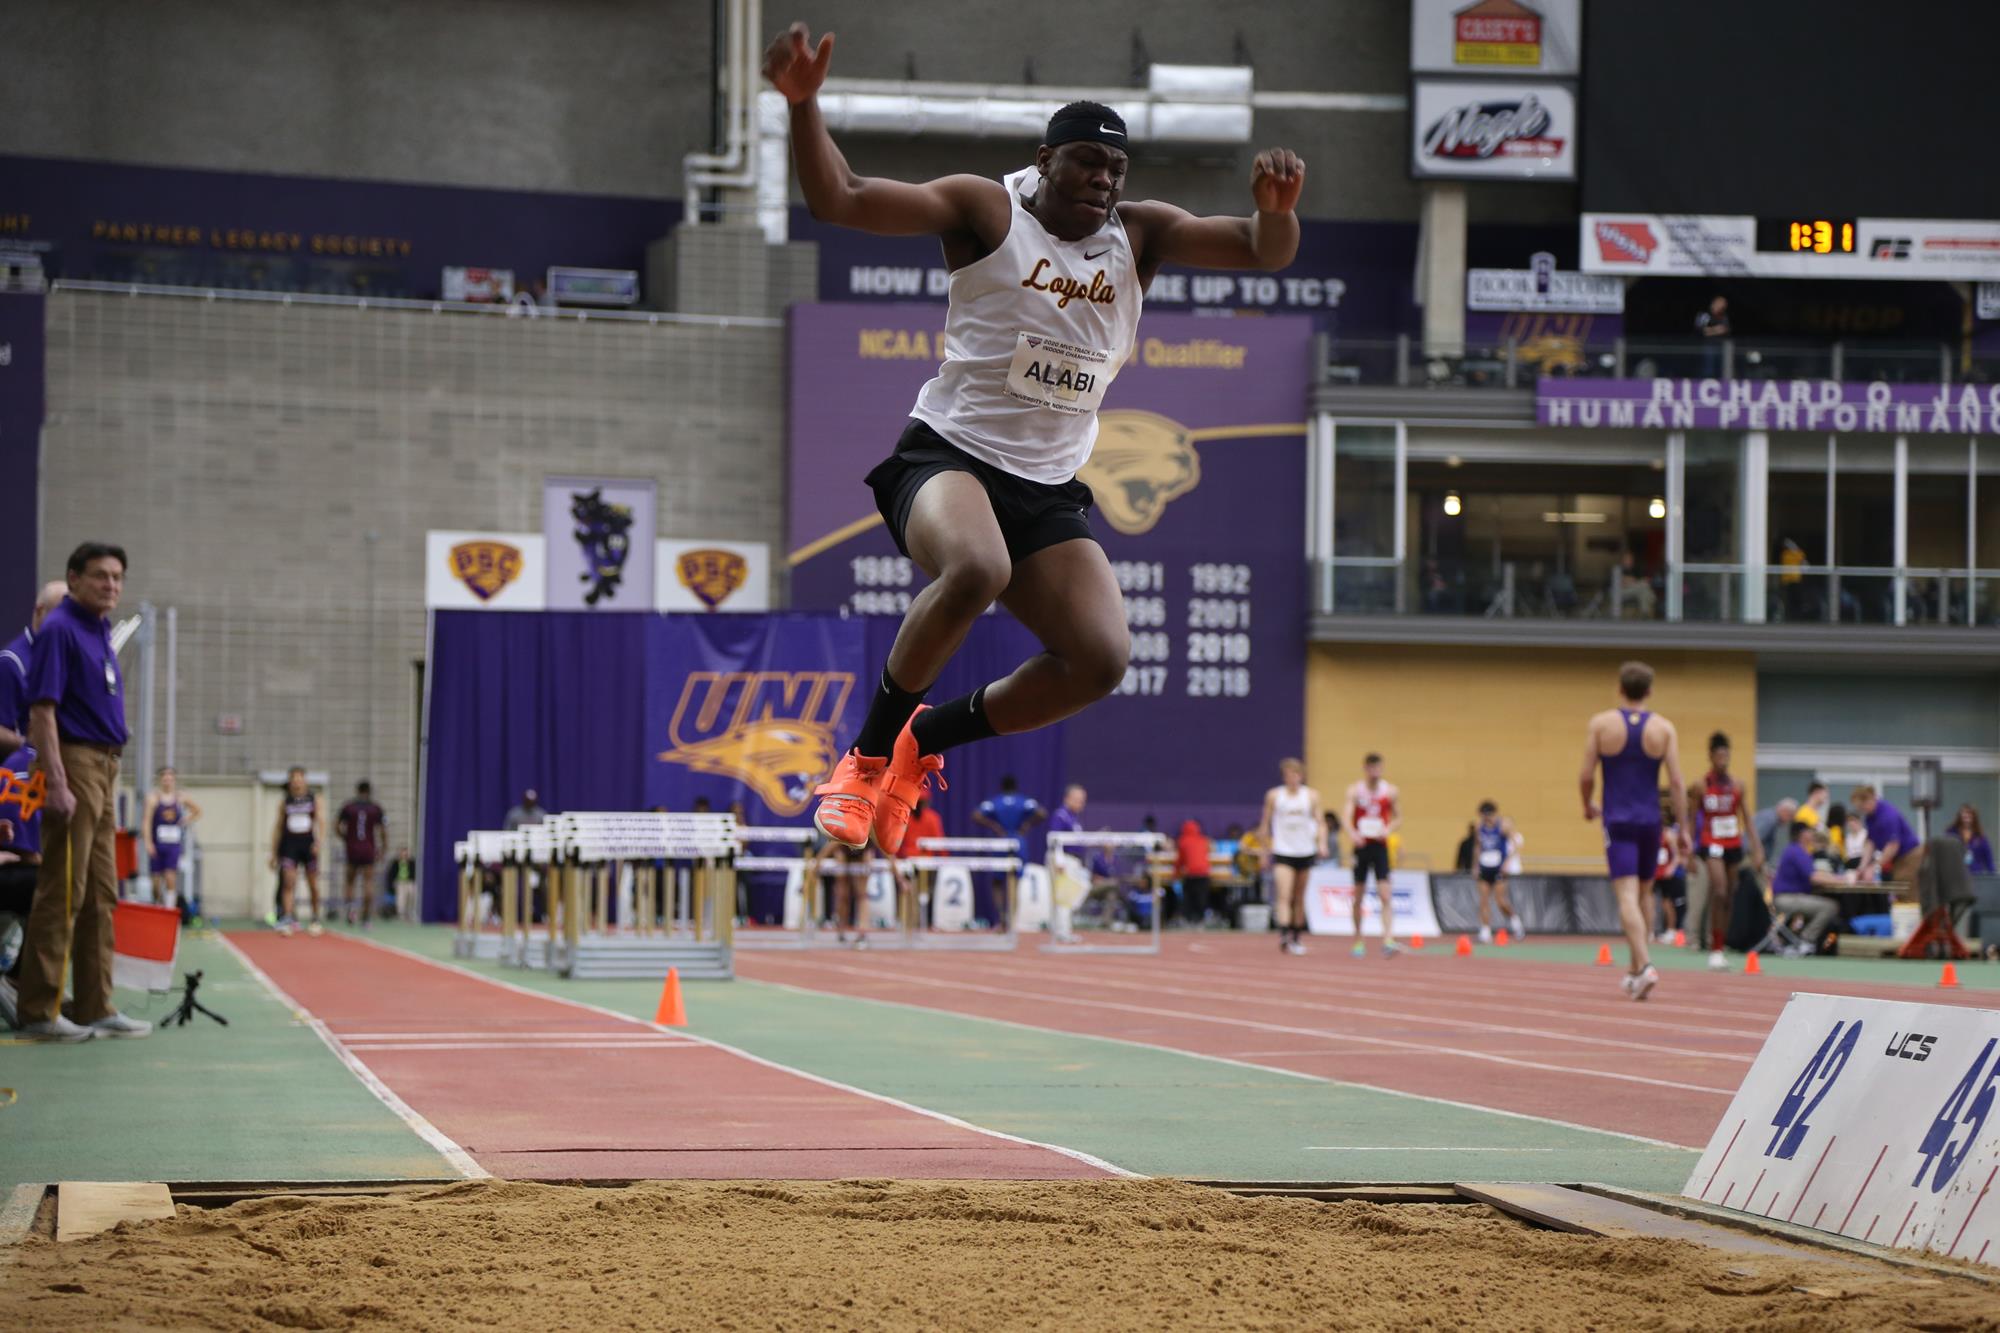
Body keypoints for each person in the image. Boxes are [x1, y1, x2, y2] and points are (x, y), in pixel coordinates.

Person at [764, 24, 1305, 859]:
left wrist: (1278, 215)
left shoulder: (1143, 234)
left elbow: (1262, 254)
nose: (1103, 179)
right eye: (1087, 160)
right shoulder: (986, 208)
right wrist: (803, 106)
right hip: (947, 458)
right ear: (1045, 159)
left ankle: (922, 742)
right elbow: (841, 197)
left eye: (1116, 168)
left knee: (1100, 659)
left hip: (1046, 486)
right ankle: (866, 758)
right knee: (978, 568)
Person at [17, 542, 151, 1041]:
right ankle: (39, 1011)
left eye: (117, 577)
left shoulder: (98, 631)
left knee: (101, 893)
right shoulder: (60, 630)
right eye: (100, 576)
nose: (111, 585)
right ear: (73, 579)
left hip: (105, 766)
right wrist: (55, 779)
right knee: (63, 890)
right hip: (75, 762)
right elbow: (42, 712)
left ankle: (95, 1005)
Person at [1580, 661, 1688, 1001]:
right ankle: (1633, 972)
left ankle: (1644, 966)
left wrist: (1587, 805)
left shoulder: (1602, 724)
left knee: (1626, 895)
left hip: (1619, 820)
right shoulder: (1664, 729)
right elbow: (1677, 782)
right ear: (1650, 691)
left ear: (1620, 688)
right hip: (1650, 821)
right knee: (1645, 894)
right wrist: (1683, 827)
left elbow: (1586, 776)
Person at [1692, 732, 1761, 971]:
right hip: (1711, 843)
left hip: (1733, 843)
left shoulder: (1738, 785)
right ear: (1711, 756)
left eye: (1726, 755)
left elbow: (1747, 819)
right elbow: (1691, 820)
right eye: (1719, 755)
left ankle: (1720, 945)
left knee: (1730, 895)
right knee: (1719, 890)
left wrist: (1757, 848)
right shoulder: (1701, 786)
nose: (1723, 759)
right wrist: (1688, 853)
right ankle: (1714, 947)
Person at [1259, 758, 1325, 956]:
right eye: (1288, 775)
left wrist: (1321, 843)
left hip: (1305, 851)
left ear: (1301, 776)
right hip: (1283, 851)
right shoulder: (1274, 796)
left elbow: (1320, 822)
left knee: (1299, 897)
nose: (1292, 778)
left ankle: (1297, 936)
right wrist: (1264, 852)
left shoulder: (1311, 796)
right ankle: (1284, 934)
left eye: (1295, 774)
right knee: (1284, 894)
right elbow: (1265, 825)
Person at [1, 582, 68, 756]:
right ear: (40, 611)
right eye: (60, 615)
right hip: (28, 772)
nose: (67, 624)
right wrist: (33, 744)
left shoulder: (65, 655)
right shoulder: (12, 662)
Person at [1343, 753, 1400, 958]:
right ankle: (1358, 940)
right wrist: (1353, 833)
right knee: (1359, 894)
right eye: (1372, 768)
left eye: (1379, 768)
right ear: (1365, 768)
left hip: (1380, 846)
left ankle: (1388, 938)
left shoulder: (1390, 791)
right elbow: (1346, 817)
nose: (1375, 772)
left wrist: (1388, 829)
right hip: (1361, 847)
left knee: (1385, 893)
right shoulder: (1355, 790)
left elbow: (1398, 818)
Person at [1770, 820, 1849, 953]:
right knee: (1830, 907)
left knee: (1818, 905)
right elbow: (1814, 877)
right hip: (1786, 898)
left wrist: (1838, 879)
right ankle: (1805, 941)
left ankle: (1795, 940)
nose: (1812, 834)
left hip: (1789, 897)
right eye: (1809, 831)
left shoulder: (1798, 851)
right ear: (1802, 834)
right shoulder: (1797, 851)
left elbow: (1815, 873)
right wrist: (1843, 881)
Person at [270, 766, 324, 936]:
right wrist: (273, 852)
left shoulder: (314, 799)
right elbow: (278, 827)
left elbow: (322, 822)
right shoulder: (284, 801)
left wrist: (318, 843)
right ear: (290, 781)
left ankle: (315, 918)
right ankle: (287, 918)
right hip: (289, 845)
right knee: (288, 882)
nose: (297, 781)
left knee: (313, 884)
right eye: (294, 778)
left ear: (305, 780)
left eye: (300, 777)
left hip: (308, 844)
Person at [141, 767, 201, 911]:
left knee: (170, 877)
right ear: (160, 780)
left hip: (173, 844)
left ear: (174, 780)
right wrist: (148, 843)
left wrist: (186, 819)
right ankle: (157, 903)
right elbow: (146, 822)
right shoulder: (153, 798)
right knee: (155, 882)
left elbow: (198, 811)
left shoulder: (180, 797)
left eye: (170, 777)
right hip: (157, 843)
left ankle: (169, 909)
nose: (167, 780)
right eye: (164, 777)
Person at [1472, 801, 1525, 944]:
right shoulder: (1479, 828)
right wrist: (1476, 865)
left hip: (1498, 867)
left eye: (1488, 815)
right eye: (1483, 815)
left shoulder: (1502, 826)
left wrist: (1508, 861)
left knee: (1500, 901)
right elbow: (1478, 846)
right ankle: (1485, 931)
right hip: (1485, 867)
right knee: (1483, 900)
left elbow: (1515, 843)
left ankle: (1515, 922)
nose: (1486, 818)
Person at [336, 780, 387, 927]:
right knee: (368, 882)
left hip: (352, 848)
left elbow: (337, 826)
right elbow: (383, 831)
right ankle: (366, 918)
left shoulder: (348, 807)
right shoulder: (376, 808)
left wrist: (346, 838)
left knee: (350, 881)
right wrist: (383, 848)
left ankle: (351, 910)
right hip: (368, 849)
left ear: (357, 791)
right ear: (369, 791)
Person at [1850, 785, 1922, 886]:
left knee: (1906, 888)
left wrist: (1873, 867)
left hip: (1910, 855)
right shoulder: (1870, 817)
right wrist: (1862, 867)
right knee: (1898, 887)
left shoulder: (1887, 815)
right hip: (1897, 858)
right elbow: (1870, 842)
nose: (1861, 811)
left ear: (1870, 800)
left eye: (1862, 807)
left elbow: (1893, 845)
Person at [973, 775, 1045, 855]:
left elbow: (976, 815)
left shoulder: (995, 801)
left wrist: (994, 826)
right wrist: (1027, 824)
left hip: (1001, 840)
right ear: (1015, 787)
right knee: (1019, 866)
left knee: (998, 866)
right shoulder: (1022, 800)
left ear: (1002, 787)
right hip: (1018, 841)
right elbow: (1042, 813)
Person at [1654, 801, 1687, 944]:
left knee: (1671, 903)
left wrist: (1672, 867)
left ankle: (1673, 929)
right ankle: (1668, 929)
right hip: (1658, 873)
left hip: (1670, 874)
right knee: (1664, 902)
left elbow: (1677, 854)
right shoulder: (1655, 834)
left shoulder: (1669, 834)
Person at [1173, 819, 1211, 926]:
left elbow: (1180, 861)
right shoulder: (1204, 840)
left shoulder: (1183, 841)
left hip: (1191, 874)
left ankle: (1188, 919)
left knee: (1188, 898)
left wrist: (1175, 875)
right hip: (1204, 874)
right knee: (1201, 898)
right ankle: (1201, 920)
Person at [1946, 804, 1995, 874]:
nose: (1966, 817)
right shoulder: (1951, 834)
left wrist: (1993, 878)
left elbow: (1989, 861)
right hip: (1956, 876)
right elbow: (1945, 857)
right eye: (1964, 814)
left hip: (1976, 877)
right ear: (1959, 816)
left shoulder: (1981, 838)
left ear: (1974, 817)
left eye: (1969, 814)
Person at [1754, 796, 1799, 867]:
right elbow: (1753, 839)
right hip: (1753, 860)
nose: (1789, 820)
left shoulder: (1771, 818)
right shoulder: (1769, 820)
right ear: (1784, 811)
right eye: (1790, 816)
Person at [1696, 295, 1731, 376]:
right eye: (1721, 304)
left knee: (1722, 368)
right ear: (1715, 303)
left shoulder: (1723, 316)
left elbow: (1725, 329)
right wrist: (1716, 329)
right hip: (1708, 346)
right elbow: (1702, 330)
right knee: (1708, 368)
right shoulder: (1705, 315)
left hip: (1721, 347)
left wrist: (1711, 330)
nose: (1723, 306)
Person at [383, 845, 418, 921]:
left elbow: (414, 874)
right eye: (403, 853)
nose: (404, 855)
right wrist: (392, 883)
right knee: (401, 896)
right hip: (399, 882)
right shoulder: (396, 862)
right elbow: (391, 874)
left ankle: (411, 911)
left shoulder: (411, 862)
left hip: (409, 882)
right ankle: (401, 913)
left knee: (412, 893)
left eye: (406, 853)